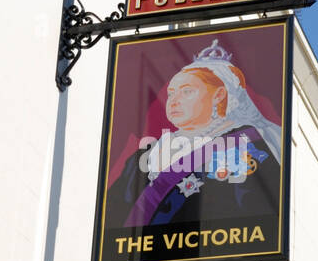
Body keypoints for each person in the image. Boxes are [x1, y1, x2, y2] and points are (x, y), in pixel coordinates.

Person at [106, 40, 282, 231]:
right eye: (171, 93)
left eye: (187, 91)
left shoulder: (244, 144)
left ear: (219, 95)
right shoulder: (146, 154)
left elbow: (254, 216)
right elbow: (112, 216)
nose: (174, 101)